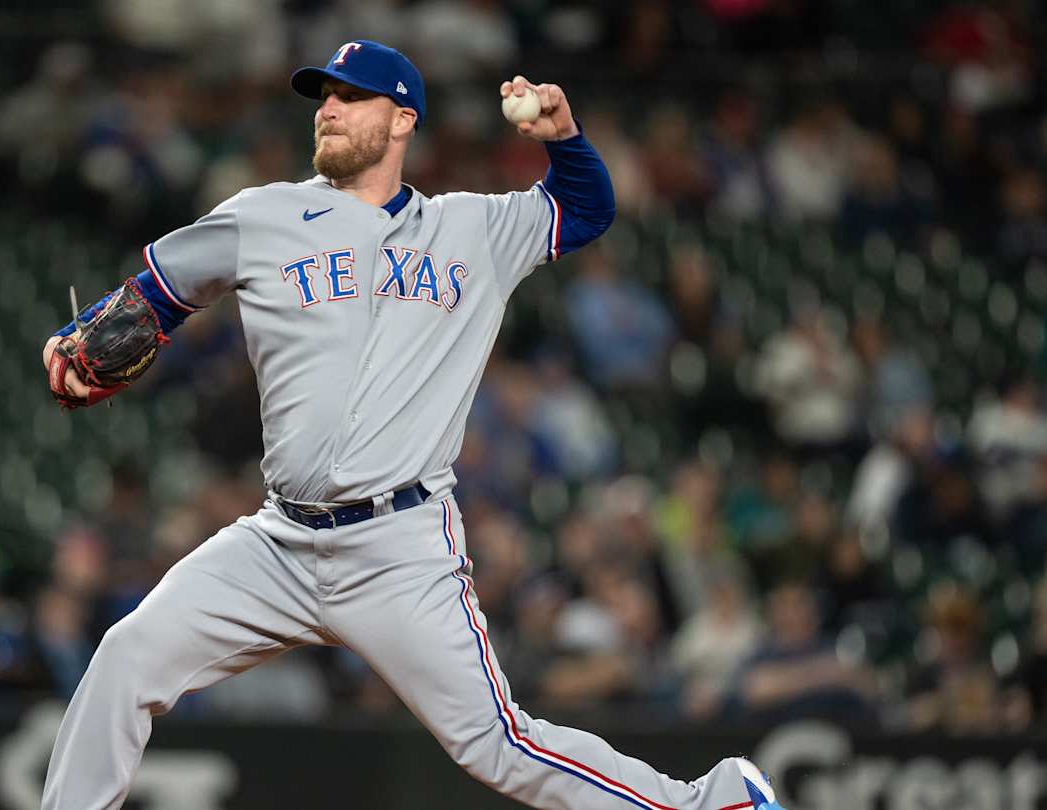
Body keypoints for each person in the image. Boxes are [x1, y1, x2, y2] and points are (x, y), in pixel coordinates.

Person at [39, 41, 782, 810]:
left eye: (349, 96)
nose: (326, 108)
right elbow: (153, 296)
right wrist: (86, 339)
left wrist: (562, 137)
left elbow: (586, 208)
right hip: (278, 542)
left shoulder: (472, 230)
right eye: (322, 95)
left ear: (401, 119)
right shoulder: (260, 215)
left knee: (498, 744)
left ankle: (716, 801)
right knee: (126, 657)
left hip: (399, 548)